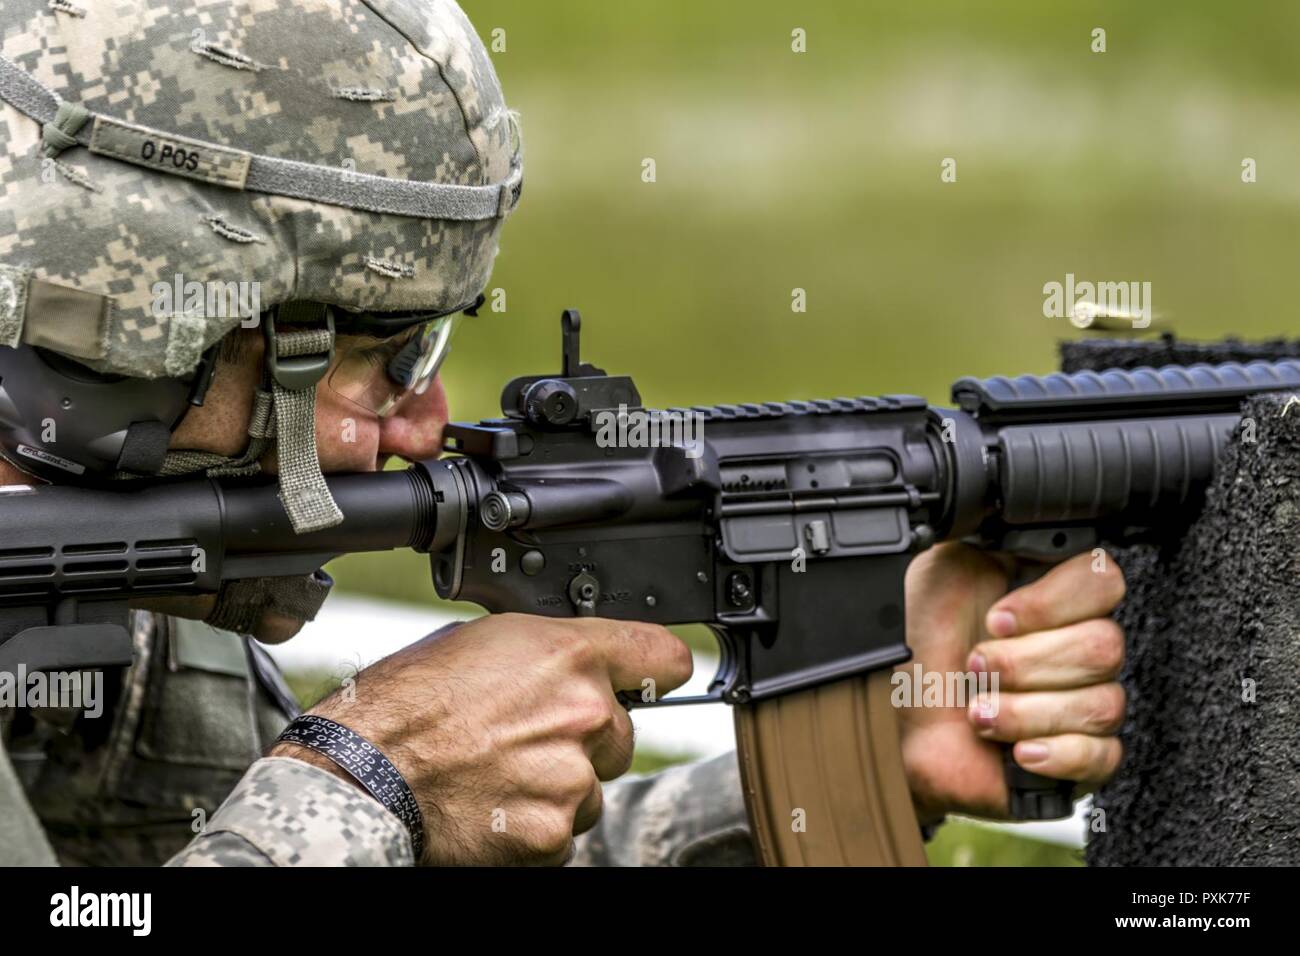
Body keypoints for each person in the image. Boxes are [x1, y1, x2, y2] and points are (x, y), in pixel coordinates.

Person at [0, 0, 1126, 867]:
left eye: (427, 354)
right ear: (141, 333)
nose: (426, 424)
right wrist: (365, 772)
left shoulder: (99, 603)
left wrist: (865, 753)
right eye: (373, 358)